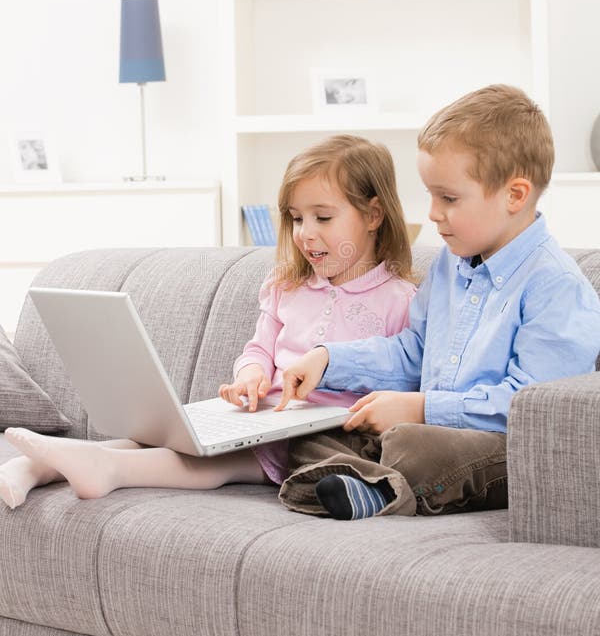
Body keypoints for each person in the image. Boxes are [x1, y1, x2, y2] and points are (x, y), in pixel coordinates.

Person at [0, 135, 416, 509]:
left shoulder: (399, 299)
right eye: (295, 218)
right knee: (168, 434)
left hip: (320, 436)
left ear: (373, 215)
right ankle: (40, 467)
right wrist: (250, 376)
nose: (304, 234)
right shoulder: (285, 286)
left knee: (215, 461)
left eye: (322, 218)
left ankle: (107, 470)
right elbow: (259, 349)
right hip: (261, 417)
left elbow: (402, 378)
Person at [274, 84, 600, 520]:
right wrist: (328, 360)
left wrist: (424, 407)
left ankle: (376, 486)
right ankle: (368, 484)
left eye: (448, 198)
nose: (431, 212)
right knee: (313, 433)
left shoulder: (556, 287)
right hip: (427, 431)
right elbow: (414, 351)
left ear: (515, 195)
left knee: (412, 444)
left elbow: (532, 407)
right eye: (430, 194)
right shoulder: (451, 265)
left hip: (502, 446)